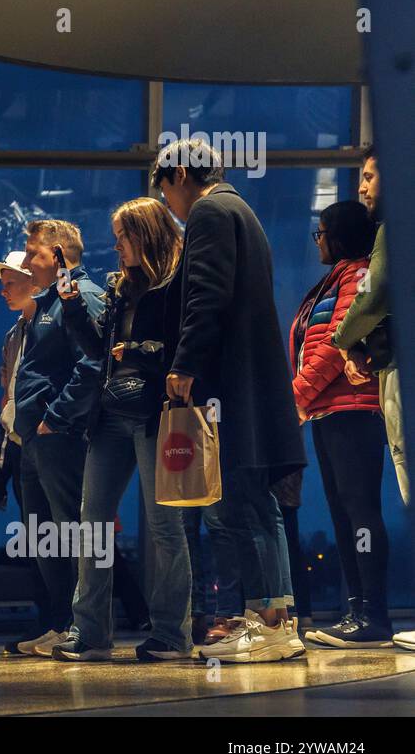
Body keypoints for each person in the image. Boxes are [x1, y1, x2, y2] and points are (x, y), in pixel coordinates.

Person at [153, 139, 307, 663]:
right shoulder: (241, 209)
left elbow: (206, 295)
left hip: (230, 386)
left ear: (177, 173)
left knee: (240, 505)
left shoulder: (211, 211)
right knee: (258, 503)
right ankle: (277, 620)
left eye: (167, 194)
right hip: (255, 385)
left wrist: (184, 364)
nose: (172, 211)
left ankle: (268, 627)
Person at [50, 197, 192, 662]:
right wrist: (71, 307)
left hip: (157, 414)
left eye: (123, 236)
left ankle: (171, 634)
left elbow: (183, 345)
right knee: (93, 523)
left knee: (164, 525)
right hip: (110, 415)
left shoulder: (175, 284)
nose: (116, 246)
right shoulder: (119, 288)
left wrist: (144, 354)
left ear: (145, 234)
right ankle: (90, 633)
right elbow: (97, 349)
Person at [291, 200, 391, 647]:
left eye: (321, 232)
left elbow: (336, 345)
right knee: (344, 513)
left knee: (360, 511)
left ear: (338, 235)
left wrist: (295, 396)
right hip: (329, 410)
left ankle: (374, 614)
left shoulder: (356, 275)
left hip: (353, 407)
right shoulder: (335, 278)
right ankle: (357, 611)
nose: (317, 241)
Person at [11, 220, 105, 656]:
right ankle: (60, 622)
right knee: (44, 532)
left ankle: (81, 627)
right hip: (35, 437)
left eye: (34, 254)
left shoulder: (78, 295)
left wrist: (57, 418)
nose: (28, 261)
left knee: (71, 529)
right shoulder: (46, 301)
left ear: (60, 257)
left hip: (59, 435)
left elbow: (92, 363)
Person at [0, 250, 53, 652]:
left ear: (33, 282)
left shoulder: (50, 325)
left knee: (59, 534)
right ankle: (50, 621)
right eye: (3, 283)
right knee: (37, 538)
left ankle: (68, 620)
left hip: (49, 440)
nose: (4, 290)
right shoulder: (14, 336)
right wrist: (1, 458)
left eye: (11, 282)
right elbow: (8, 399)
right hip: (22, 443)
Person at [332, 147, 408, 506]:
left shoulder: (393, 229)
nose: (362, 189)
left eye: (369, 177)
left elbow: (373, 297)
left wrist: (344, 341)